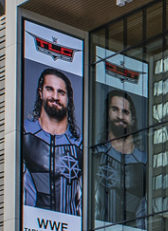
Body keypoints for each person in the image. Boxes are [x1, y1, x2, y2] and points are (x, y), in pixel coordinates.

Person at [22, 68, 82, 214]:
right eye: (50, 89)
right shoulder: (24, 133)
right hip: (32, 227)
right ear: (40, 92)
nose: (55, 97)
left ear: (69, 99)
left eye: (61, 92)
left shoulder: (80, 144)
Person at [92, 90, 148, 223]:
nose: (120, 116)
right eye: (115, 109)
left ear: (132, 118)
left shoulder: (145, 161)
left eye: (125, 112)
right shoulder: (96, 155)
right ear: (108, 113)